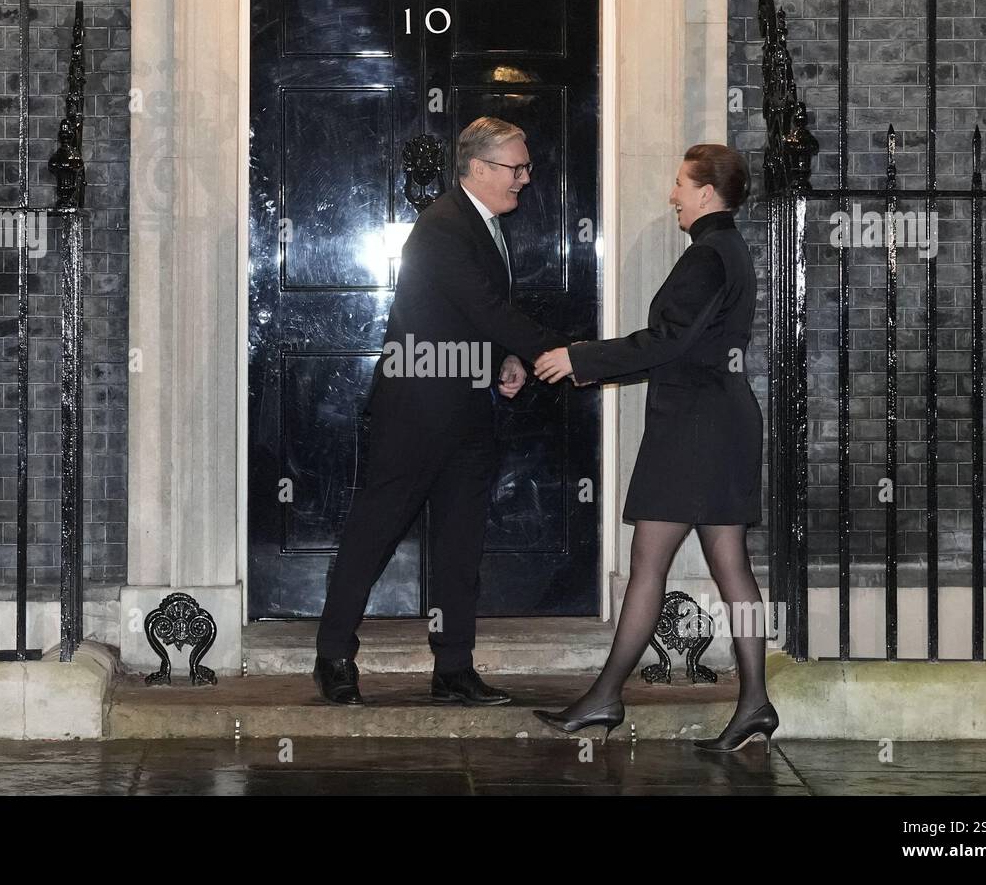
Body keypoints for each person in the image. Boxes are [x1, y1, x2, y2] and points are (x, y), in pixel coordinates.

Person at [313, 117, 570, 706]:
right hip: (416, 412)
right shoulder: (442, 225)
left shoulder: (484, 224)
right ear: (478, 169)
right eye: (516, 168)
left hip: (468, 409)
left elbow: (469, 314)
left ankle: (453, 667)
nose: (525, 179)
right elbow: (480, 304)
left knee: (460, 544)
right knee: (373, 535)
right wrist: (551, 352)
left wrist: (505, 357)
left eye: (526, 167)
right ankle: (333, 657)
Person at [532, 143, 777, 753]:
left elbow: (665, 341)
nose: (671, 196)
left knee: (648, 566)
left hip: (695, 428)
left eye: (678, 184)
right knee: (733, 571)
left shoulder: (706, 257)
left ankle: (606, 696)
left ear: (704, 193)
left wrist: (579, 358)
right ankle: (754, 702)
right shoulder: (732, 251)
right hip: (722, 422)